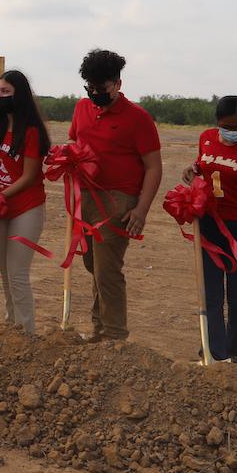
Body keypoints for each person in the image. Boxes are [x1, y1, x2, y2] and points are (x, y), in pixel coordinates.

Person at [68, 48, 161, 342]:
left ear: (118, 84)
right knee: (92, 265)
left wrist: (141, 210)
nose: (95, 94)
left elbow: (154, 167)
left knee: (107, 269)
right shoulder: (82, 108)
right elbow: (74, 142)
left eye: (102, 88)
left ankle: (114, 335)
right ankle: (100, 328)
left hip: (118, 200)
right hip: (85, 196)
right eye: (90, 88)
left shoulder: (138, 118)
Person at [180, 95, 237, 365]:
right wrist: (193, 168)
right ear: (217, 123)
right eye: (226, 126)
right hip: (209, 225)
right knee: (210, 293)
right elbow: (203, 164)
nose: (232, 132)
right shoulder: (207, 138)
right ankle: (212, 352)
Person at [0, 70, 51, 333]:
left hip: (25, 206)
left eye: (5, 91)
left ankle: (26, 331)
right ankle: (11, 324)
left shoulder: (32, 131)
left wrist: (1, 196)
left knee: (17, 272)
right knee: (6, 271)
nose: (0, 96)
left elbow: (29, 176)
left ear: (20, 94)